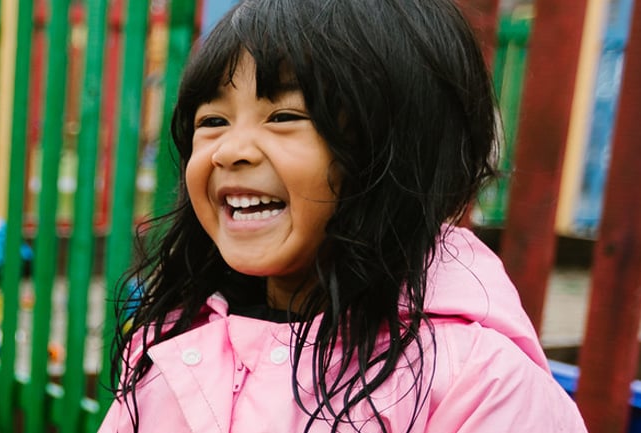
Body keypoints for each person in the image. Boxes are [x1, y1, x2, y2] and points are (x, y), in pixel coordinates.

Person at [102, 0, 588, 431]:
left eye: (285, 116)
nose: (230, 151)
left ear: (398, 146)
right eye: (212, 122)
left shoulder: (480, 383)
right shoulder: (177, 346)